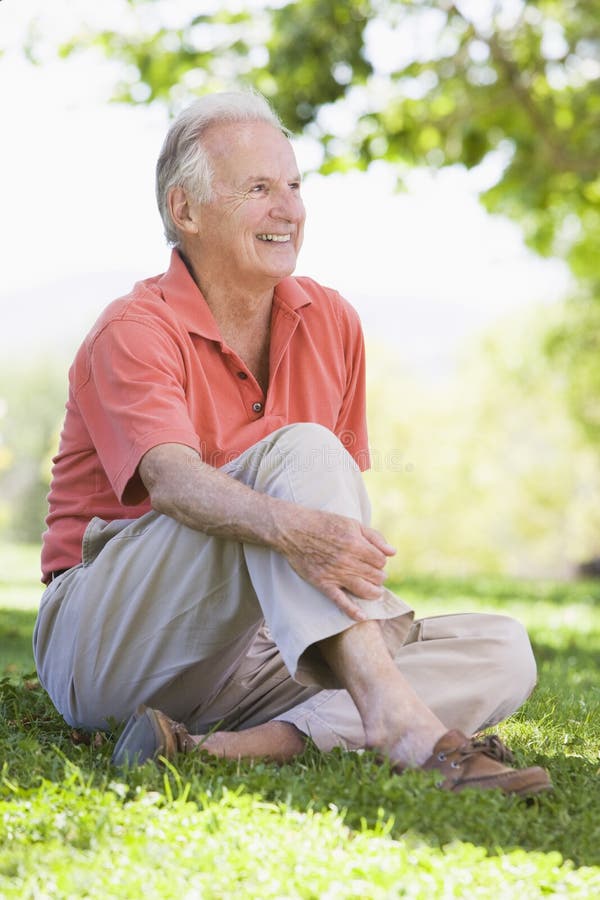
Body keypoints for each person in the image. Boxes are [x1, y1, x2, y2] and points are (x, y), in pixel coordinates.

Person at [33, 91, 551, 795]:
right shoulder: (132, 330)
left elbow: (333, 515)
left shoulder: (331, 321)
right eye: (258, 189)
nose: (290, 209)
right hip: (111, 643)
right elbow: (176, 484)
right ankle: (403, 727)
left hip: (255, 654)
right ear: (185, 211)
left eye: (295, 187)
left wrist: (310, 555)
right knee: (302, 450)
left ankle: (236, 747)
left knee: (502, 650)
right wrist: (292, 529)